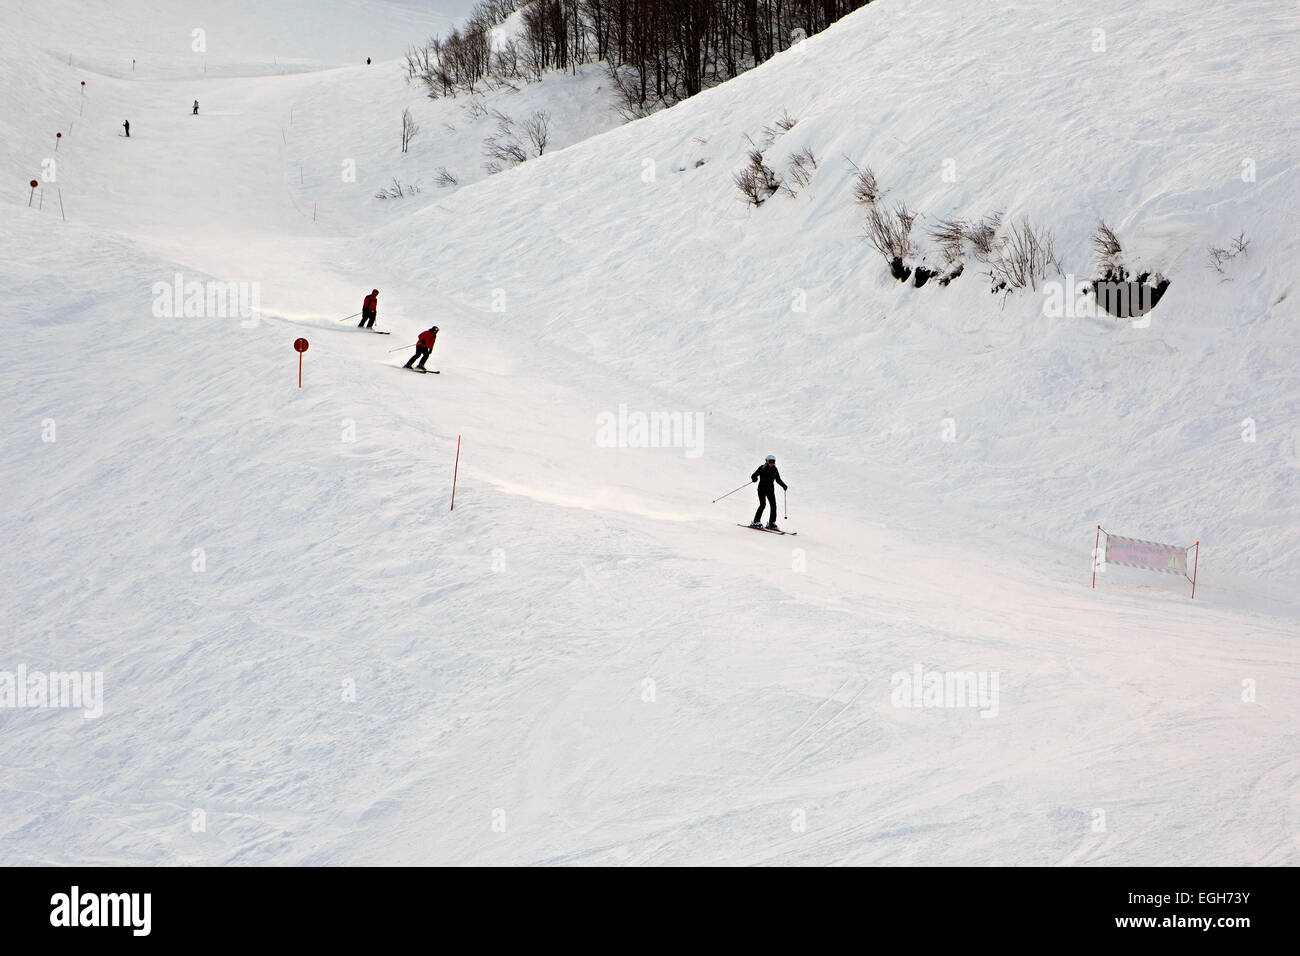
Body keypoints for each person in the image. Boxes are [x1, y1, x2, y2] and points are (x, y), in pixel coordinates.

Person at [749, 455, 787, 530]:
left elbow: (778, 479)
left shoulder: (775, 469)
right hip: (761, 489)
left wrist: (784, 486)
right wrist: (754, 479)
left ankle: (771, 523)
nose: (771, 463)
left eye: (773, 462)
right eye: (770, 462)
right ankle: (756, 521)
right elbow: (754, 475)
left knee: (773, 506)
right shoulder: (762, 468)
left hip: (770, 490)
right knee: (762, 505)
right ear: (766, 461)